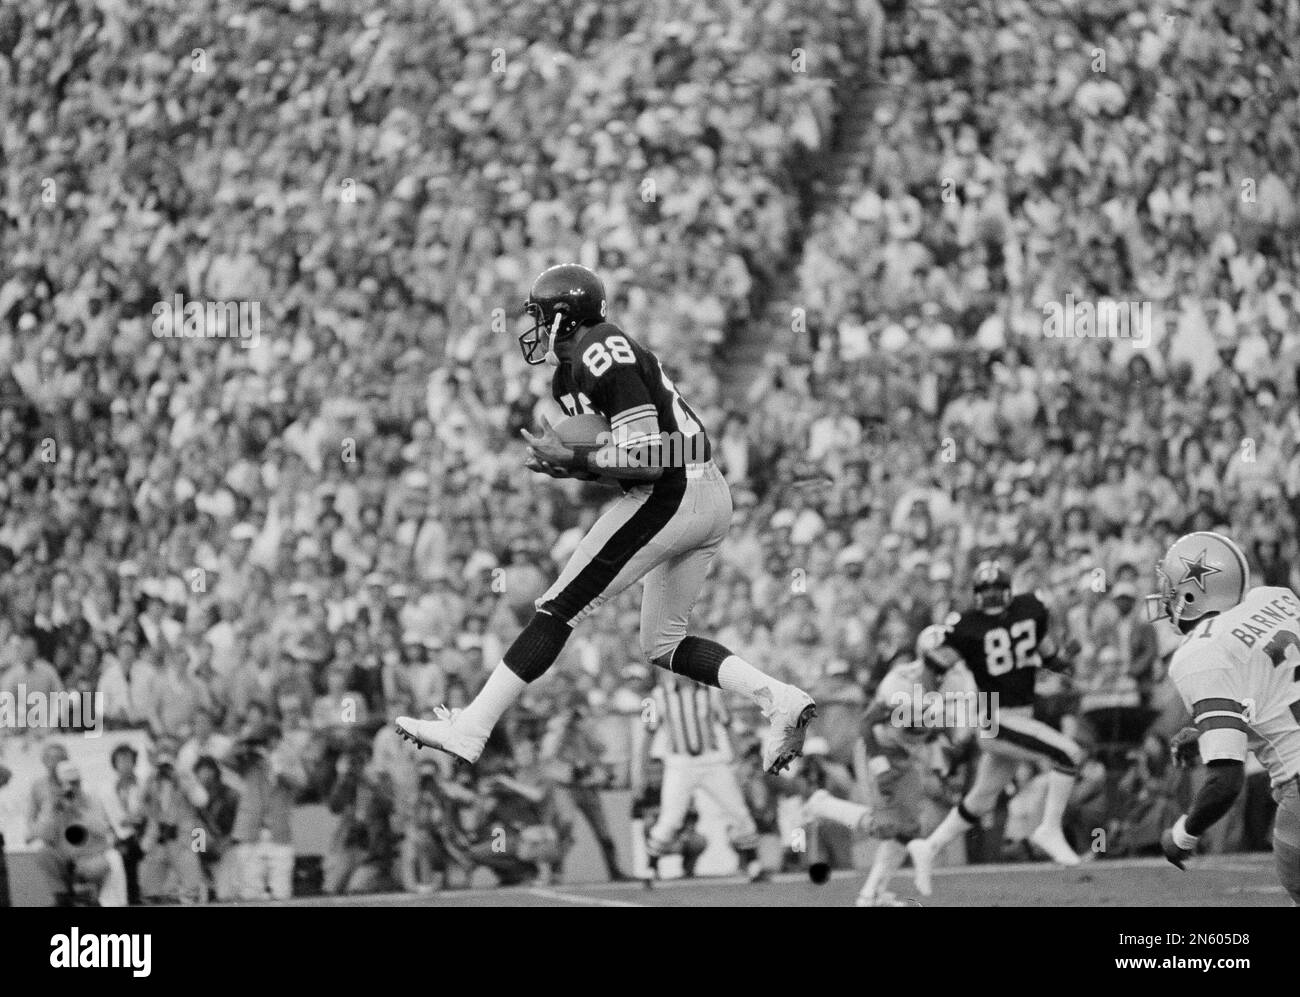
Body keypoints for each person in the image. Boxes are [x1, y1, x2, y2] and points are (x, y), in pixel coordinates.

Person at [397, 265, 816, 775]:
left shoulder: (601, 348)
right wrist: (573, 465)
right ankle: (780, 698)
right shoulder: (569, 376)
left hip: (673, 489)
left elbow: (650, 459)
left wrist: (578, 461)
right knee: (662, 643)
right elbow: (622, 458)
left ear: (561, 318)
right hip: (700, 493)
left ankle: (472, 728)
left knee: (558, 608)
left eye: (537, 316)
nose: (529, 328)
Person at [906, 561, 1085, 894]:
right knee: (1070, 754)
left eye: (995, 589)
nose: (989, 597)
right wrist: (930, 695)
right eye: (983, 591)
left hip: (1019, 713)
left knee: (981, 800)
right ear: (975, 595)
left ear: (1007, 589)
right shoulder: (965, 626)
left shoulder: (1030, 609)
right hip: (993, 714)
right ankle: (1048, 829)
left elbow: (1048, 656)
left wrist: (1066, 662)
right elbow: (933, 660)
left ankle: (928, 848)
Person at [1150, 531, 1300, 904]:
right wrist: (1206, 737)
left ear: (1191, 593)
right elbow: (1277, 696)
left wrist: (1182, 835)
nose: (1165, 597)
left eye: (1171, 588)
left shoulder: (1197, 654)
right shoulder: (1275, 597)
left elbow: (1226, 781)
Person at [803, 625, 978, 905]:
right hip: (878, 745)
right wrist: (879, 764)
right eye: (936, 663)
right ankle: (823, 805)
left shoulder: (961, 680)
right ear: (924, 658)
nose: (943, 671)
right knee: (888, 825)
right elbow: (867, 723)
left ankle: (871, 894)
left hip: (910, 750)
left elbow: (953, 730)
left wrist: (950, 749)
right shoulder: (900, 680)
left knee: (906, 828)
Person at [643, 671, 766, 882]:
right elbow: (649, 732)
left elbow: (727, 725)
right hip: (679, 763)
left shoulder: (711, 691)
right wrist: (643, 767)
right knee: (671, 817)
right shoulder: (657, 695)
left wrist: (737, 759)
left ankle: (754, 864)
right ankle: (650, 868)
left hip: (711, 760)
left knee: (737, 810)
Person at [31, 761, 128, 907]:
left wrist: (78, 810)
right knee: (43, 854)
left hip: (90, 856)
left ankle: (88, 897)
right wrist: (53, 810)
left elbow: (102, 829)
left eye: (75, 783)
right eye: (67, 783)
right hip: (65, 857)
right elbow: (44, 835)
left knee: (104, 863)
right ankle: (62, 896)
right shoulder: (52, 804)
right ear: (58, 784)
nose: (71, 788)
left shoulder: (90, 799)